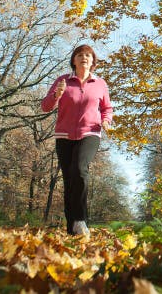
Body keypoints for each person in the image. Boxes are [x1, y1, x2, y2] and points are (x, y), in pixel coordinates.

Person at [41, 44, 113, 236]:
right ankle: (72, 227)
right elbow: (45, 106)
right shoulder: (63, 81)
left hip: (90, 133)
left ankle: (80, 220)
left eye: (88, 55)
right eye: (80, 55)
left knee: (80, 170)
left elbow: (107, 108)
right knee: (69, 179)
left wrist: (106, 121)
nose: (84, 58)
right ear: (74, 60)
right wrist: (56, 95)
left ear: (93, 61)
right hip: (64, 135)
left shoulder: (100, 84)